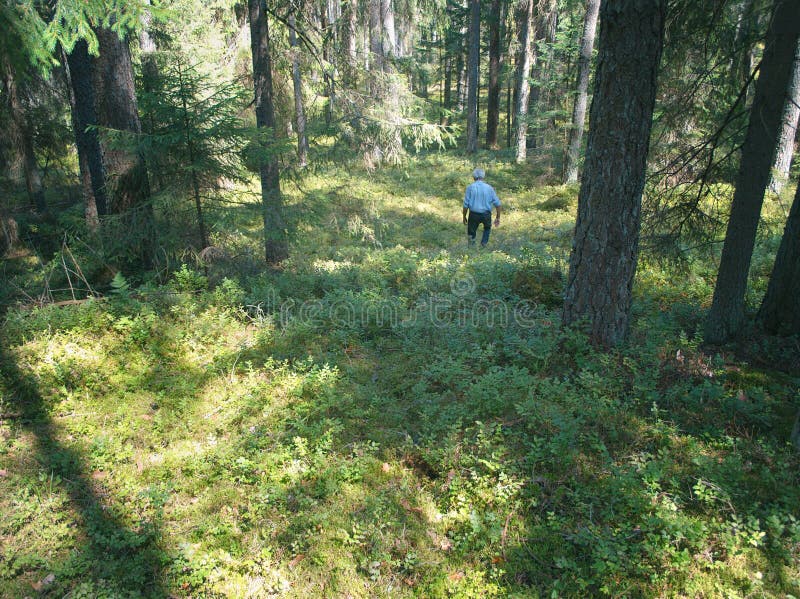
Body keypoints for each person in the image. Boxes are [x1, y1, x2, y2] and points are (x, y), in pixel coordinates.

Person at [462, 168, 501, 246]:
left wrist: (464, 216)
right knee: (487, 228)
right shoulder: (489, 188)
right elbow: (498, 204)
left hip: (473, 214)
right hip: (486, 214)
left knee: (471, 232)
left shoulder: (470, 188)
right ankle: (483, 244)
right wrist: (498, 217)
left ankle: (471, 247)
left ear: (474, 177)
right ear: (483, 177)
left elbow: (465, 205)